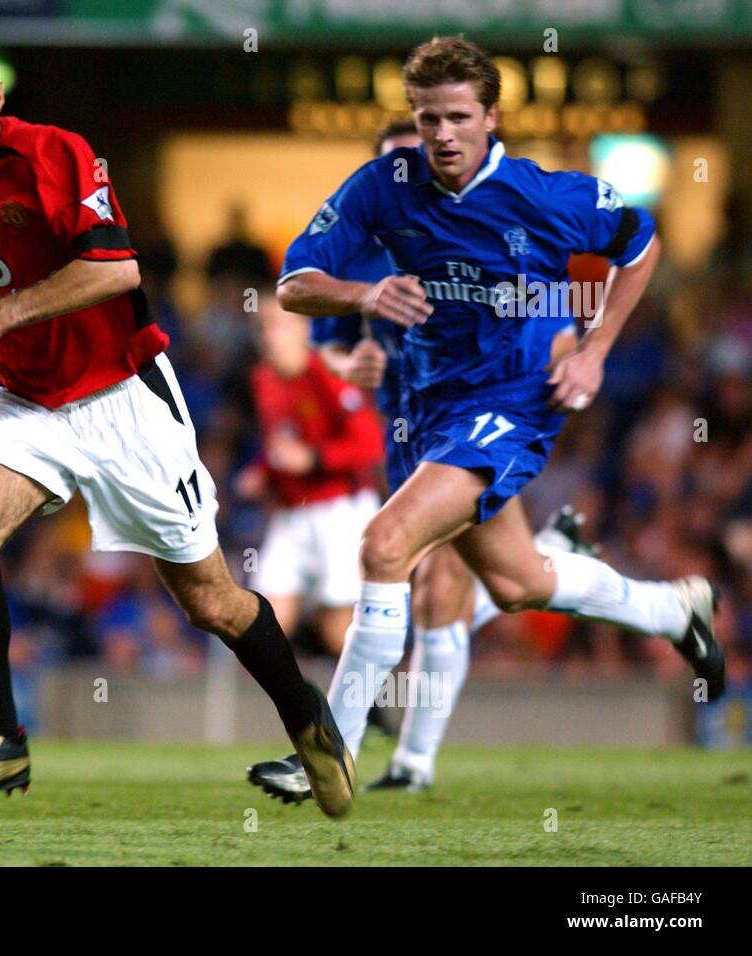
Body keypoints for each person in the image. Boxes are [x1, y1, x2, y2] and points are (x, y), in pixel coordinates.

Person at [0, 29, 354, 815]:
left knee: (209, 600)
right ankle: (3, 740)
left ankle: (309, 719)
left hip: (124, 397)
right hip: (26, 399)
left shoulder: (57, 156)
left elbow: (117, 268)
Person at [254, 36, 723, 806]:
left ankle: (328, 751)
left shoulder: (545, 197)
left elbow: (640, 245)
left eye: (457, 117)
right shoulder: (384, 185)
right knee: (515, 583)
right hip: (422, 414)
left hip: (508, 407)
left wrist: (596, 350)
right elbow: (295, 284)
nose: (441, 134)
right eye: (427, 117)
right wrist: (364, 297)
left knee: (386, 544)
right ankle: (673, 609)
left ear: (492, 117)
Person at [248, 121, 597, 799]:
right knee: (497, 583)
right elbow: (332, 346)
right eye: (392, 166)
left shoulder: (488, 234)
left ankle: (386, 756)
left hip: (471, 431)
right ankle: (582, 565)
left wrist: (572, 355)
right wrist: (355, 360)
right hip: (404, 443)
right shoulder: (360, 250)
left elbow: (552, 316)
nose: (405, 176)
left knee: (423, 576)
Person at [236, 293, 383, 656]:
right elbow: (283, 443)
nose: (270, 335)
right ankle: (294, 710)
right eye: (264, 326)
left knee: (338, 627)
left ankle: (376, 710)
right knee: (264, 621)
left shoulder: (327, 372)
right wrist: (262, 472)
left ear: (305, 330)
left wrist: (314, 460)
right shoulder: (263, 379)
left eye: (281, 325)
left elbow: (370, 445)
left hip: (340, 509)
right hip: (292, 512)